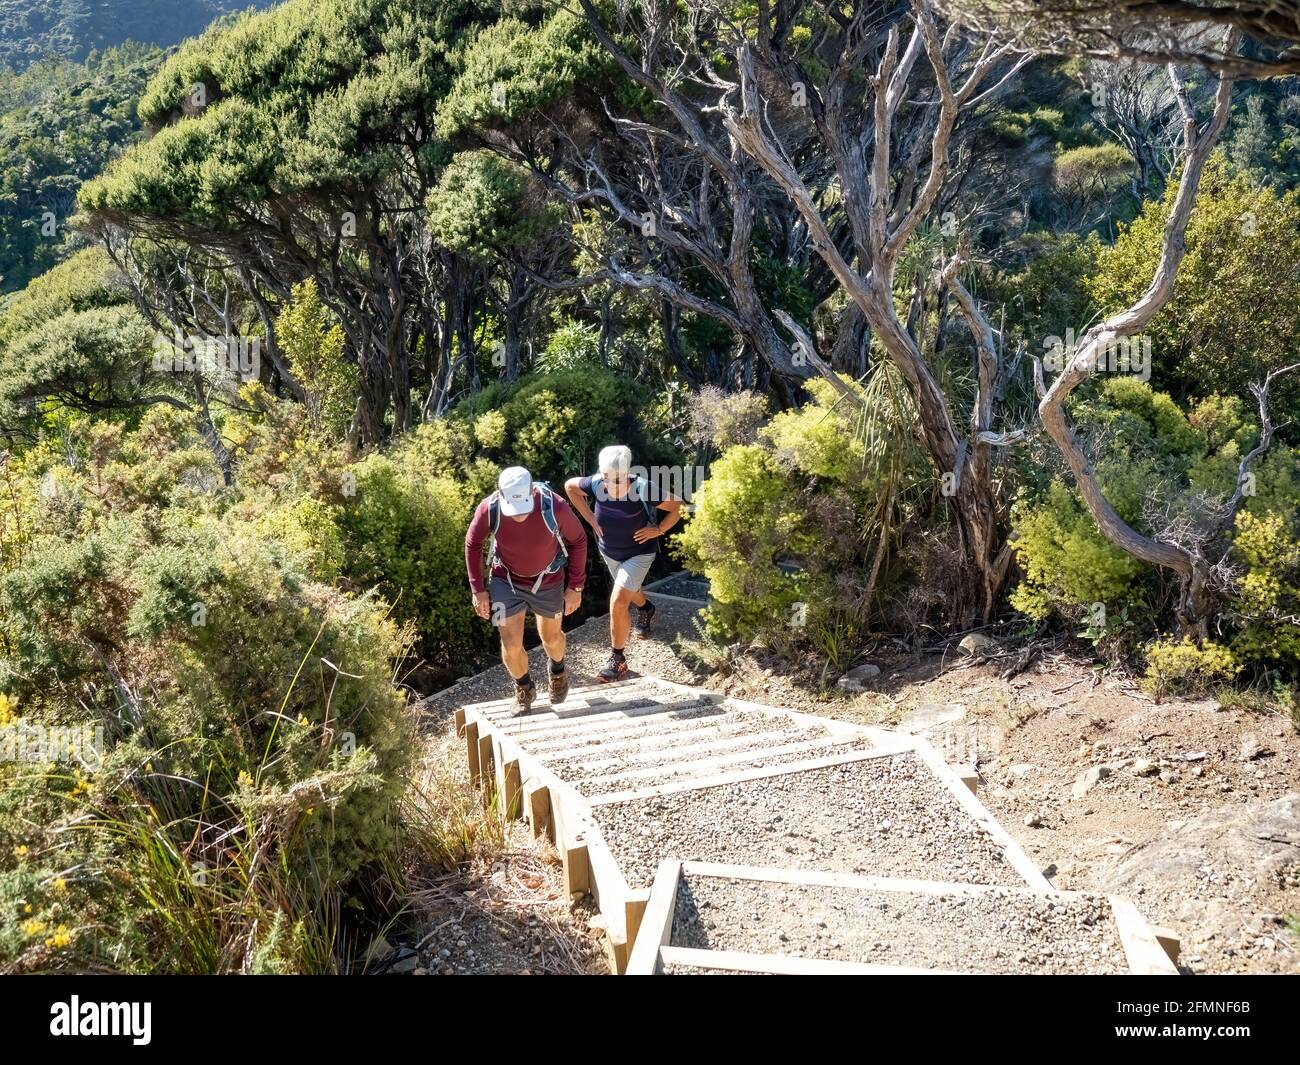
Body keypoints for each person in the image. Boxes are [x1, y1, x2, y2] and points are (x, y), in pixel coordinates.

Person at [465, 466, 587, 714]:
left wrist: (576, 586)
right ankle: (524, 688)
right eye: (514, 510)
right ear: (501, 494)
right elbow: (473, 543)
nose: (519, 516)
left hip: (549, 579)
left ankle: (558, 670)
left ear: (532, 491)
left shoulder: (554, 506)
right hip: (504, 579)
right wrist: (478, 590)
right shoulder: (489, 509)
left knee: (551, 638)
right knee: (509, 643)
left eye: (523, 509)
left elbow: (579, 540)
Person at [565, 445, 682, 683]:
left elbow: (677, 506)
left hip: (639, 553)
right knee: (630, 591)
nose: (610, 484)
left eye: (616, 479)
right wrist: (589, 518)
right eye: (606, 477)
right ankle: (646, 609)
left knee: (618, 600)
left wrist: (658, 530)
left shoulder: (643, 488)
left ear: (627, 472)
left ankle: (617, 660)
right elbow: (570, 487)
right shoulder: (596, 483)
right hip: (609, 551)